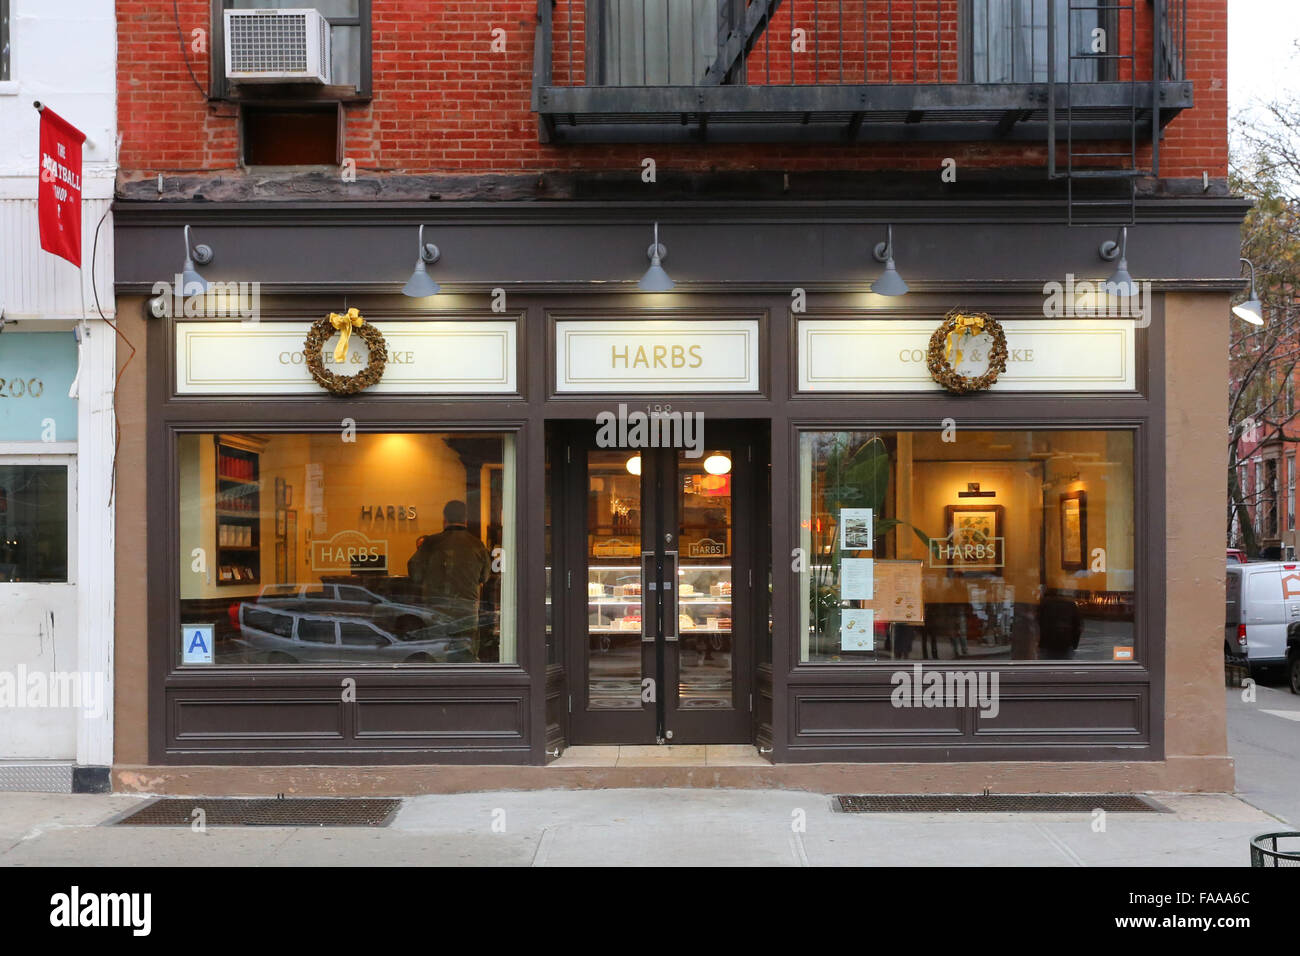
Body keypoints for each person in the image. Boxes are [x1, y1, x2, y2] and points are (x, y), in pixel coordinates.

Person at [407, 500, 492, 649]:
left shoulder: (430, 543)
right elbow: (484, 577)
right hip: (467, 609)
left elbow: (415, 573)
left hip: (436, 607)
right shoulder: (477, 545)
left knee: (437, 654)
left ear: (444, 519)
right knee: (465, 654)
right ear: (465, 520)